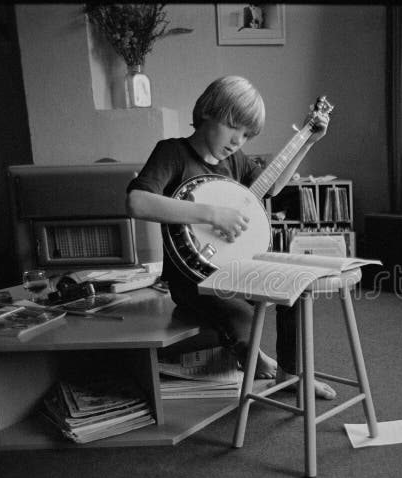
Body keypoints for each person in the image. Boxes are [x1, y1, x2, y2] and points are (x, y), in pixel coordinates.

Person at [126, 75, 336, 400]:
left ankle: (290, 374)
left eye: (247, 134)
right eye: (232, 126)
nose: (238, 140)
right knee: (242, 317)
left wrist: (308, 140)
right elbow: (137, 202)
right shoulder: (172, 153)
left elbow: (272, 187)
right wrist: (211, 213)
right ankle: (248, 351)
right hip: (192, 280)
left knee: (295, 288)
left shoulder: (234, 161)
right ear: (207, 112)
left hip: (234, 270)